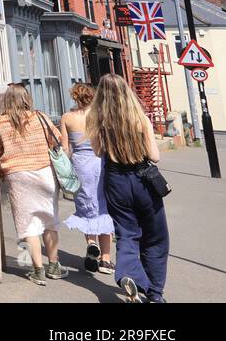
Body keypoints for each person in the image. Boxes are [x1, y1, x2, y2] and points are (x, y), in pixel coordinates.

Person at [88, 73, 169, 303]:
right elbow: (155, 156)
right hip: (143, 179)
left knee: (127, 234)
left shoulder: (98, 122)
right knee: (155, 237)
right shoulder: (140, 118)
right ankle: (155, 294)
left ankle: (127, 274)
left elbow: (97, 152)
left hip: (115, 181)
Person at [0, 84, 67, 285]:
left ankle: (38, 270)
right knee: (49, 220)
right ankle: (54, 266)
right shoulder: (39, 117)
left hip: (17, 176)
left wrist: (1, 173)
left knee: (28, 225)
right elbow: (57, 140)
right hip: (44, 173)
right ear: (26, 98)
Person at [60, 83, 114, 274]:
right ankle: (106, 260)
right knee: (104, 207)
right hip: (100, 163)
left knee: (86, 207)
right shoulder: (101, 116)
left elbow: (65, 149)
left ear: (75, 97)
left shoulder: (67, 118)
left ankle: (92, 243)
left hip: (80, 165)